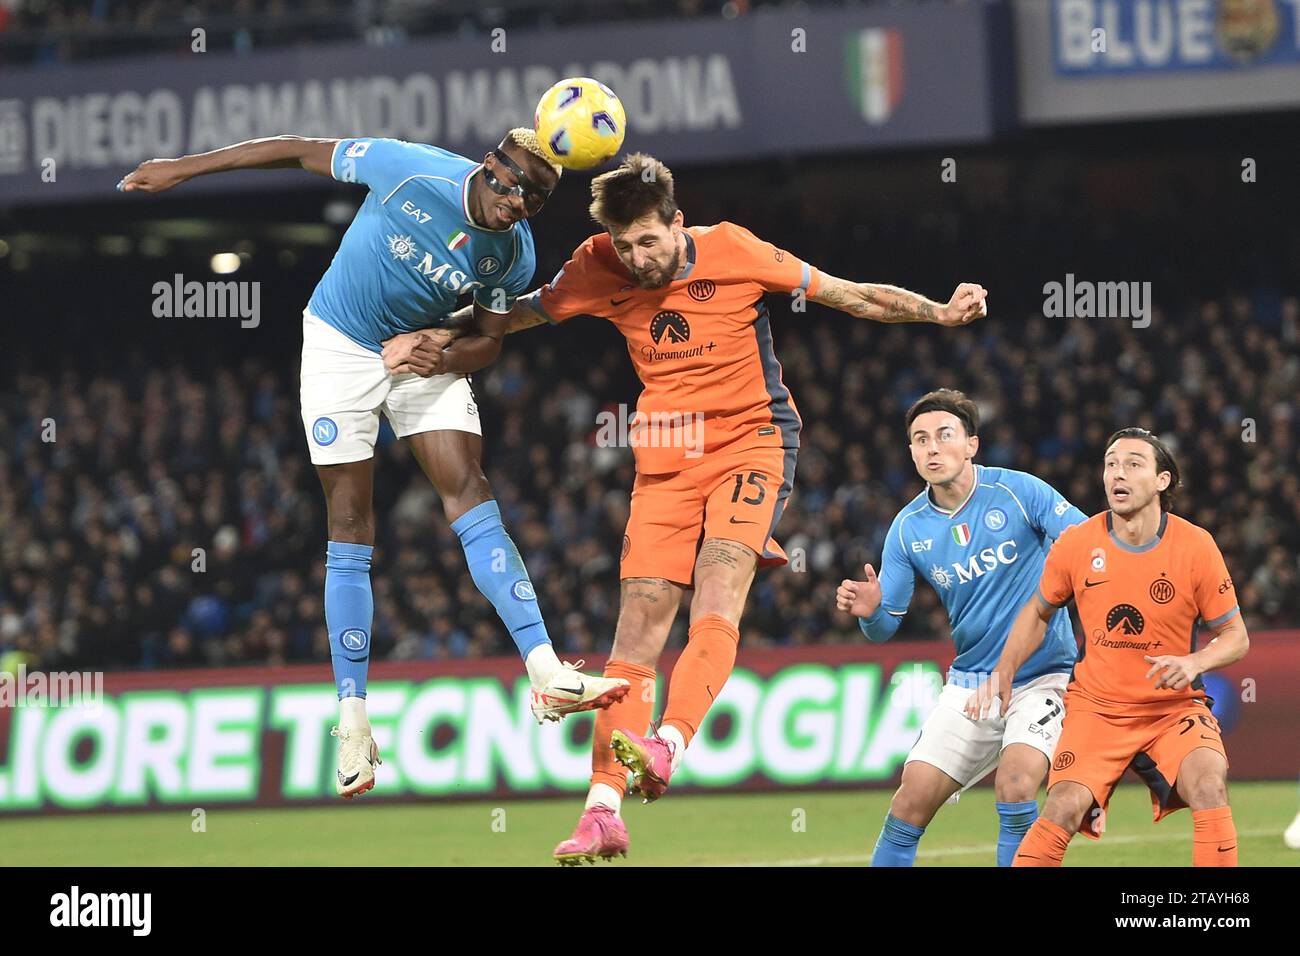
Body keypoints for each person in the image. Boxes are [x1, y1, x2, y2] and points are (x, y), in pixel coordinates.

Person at [386, 153, 987, 861]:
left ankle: (668, 743)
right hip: (665, 457)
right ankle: (603, 811)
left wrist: (938, 312)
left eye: (649, 240)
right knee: (635, 632)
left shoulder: (734, 249)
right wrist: (438, 332)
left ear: (677, 221)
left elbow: (850, 294)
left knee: (721, 583)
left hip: (751, 443)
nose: (638, 258)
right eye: (626, 245)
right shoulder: (596, 265)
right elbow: (521, 315)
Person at [119, 131, 629, 800]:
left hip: (420, 350)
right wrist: (183, 169)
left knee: (470, 490)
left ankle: (544, 669)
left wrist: (437, 356)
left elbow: (488, 344)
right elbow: (296, 149)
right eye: (509, 186)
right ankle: (352, 719)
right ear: (487, 168)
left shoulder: (514, 254)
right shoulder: (408, 170)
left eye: (532, 199)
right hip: (340, 345)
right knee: (351, 524)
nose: (515, 204)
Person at [967, 428, 1249, 866]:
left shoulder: (1196, 546)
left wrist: (1195, 661)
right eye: (1111, 463)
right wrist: (1004, 671)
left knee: (1209, 785)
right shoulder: (1078, 543)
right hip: (1097, 709)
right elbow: (1037, 611)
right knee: (1062, 807)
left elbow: (1236, 637)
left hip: (1172, 709)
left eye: (1134, 464)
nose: (1118, 472)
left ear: (1162, 480)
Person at [836, 388, 1086, 866]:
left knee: (1015, 785)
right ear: (910, 452)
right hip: (971, 684)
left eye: (944, 436)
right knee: (911, 801)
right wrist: (871, 612)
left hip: (1042, 676)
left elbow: (1087, 544)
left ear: (971, 443)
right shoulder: (908, 528)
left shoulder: (1018, 491)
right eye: (920, 440)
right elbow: (886, 627)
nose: (932, 448)